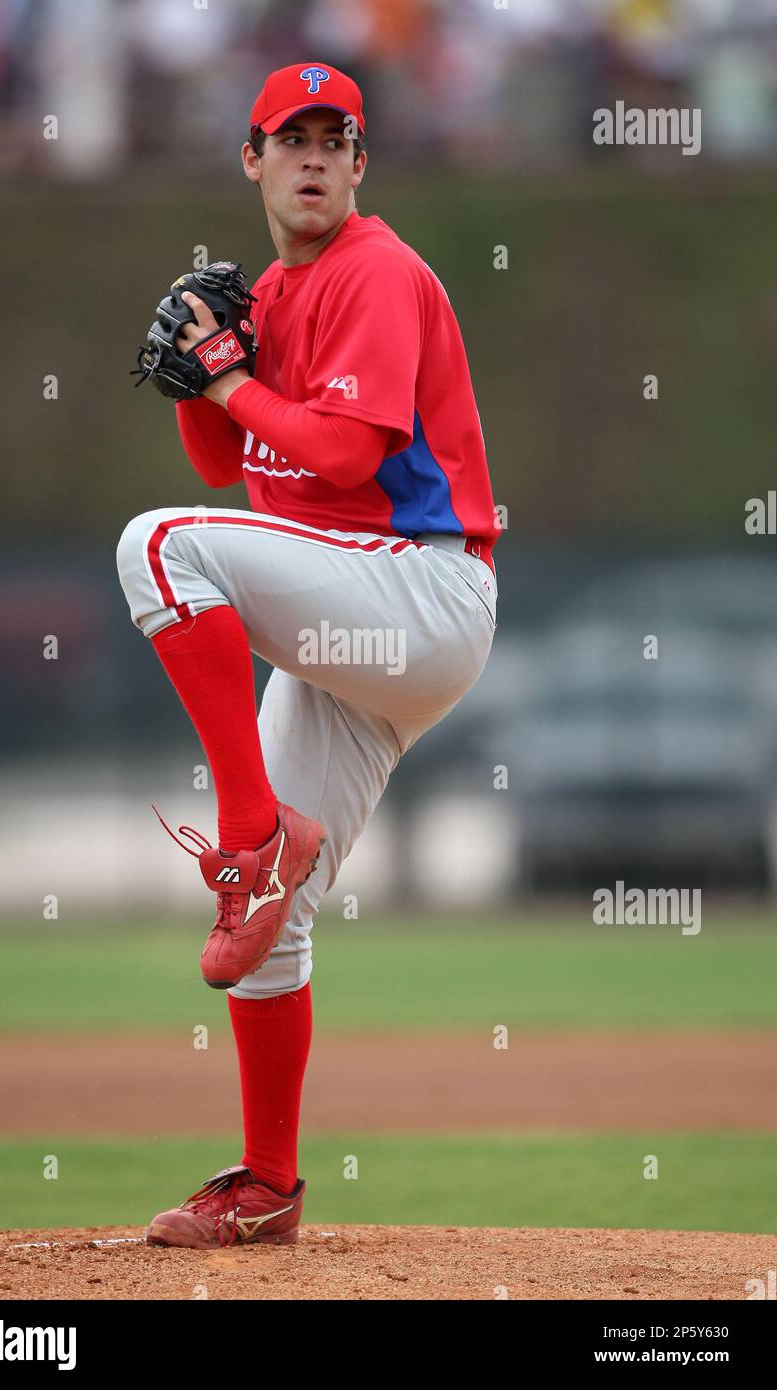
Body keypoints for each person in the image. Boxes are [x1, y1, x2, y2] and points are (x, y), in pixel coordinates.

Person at [116, 61, 500, 1248]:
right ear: (253, 157)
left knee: (157, 546)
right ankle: (269, 1184)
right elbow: (221, 463)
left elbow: (334, 459)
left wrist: (229, 380)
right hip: (356, 636)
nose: (315, 155)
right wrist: (199, 376)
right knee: (275, 924)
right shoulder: (272, 300)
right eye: (293, 138)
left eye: (336, 138)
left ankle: (251, 832)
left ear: (360, 162)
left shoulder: (375, 270)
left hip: (421, 589)